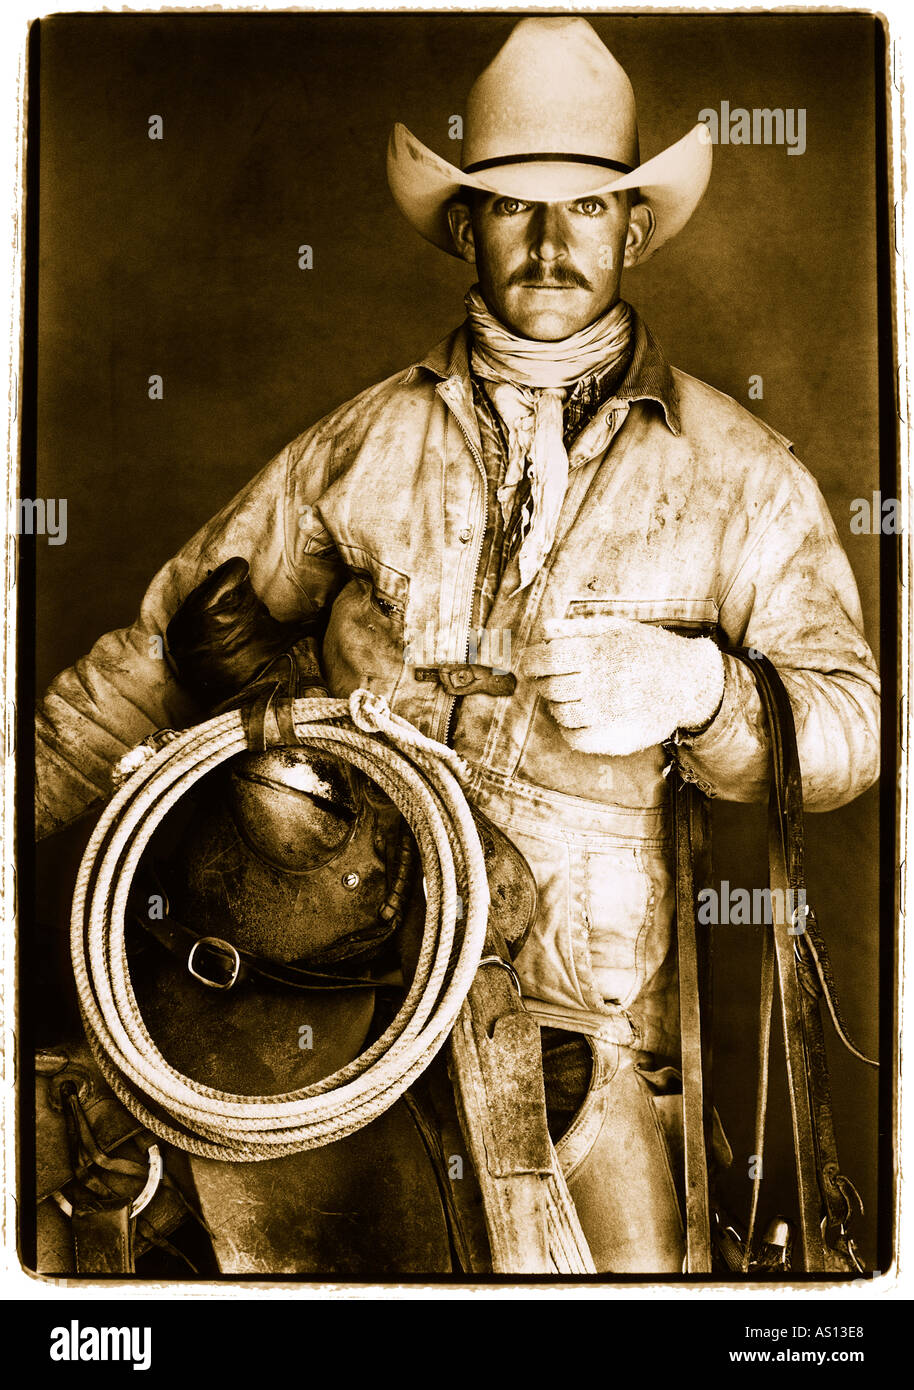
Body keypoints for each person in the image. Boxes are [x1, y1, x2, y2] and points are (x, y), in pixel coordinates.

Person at [35, 18, 880, 1272]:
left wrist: (700, 690)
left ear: (631, 231)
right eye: (508, 209)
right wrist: (24, 812)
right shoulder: (364, 442)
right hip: (331, 974)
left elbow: (852, 730)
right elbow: (168, 636)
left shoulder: (736, 478)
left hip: (577, 1006)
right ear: (462, 228)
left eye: (584, 209)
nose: (547, 244)